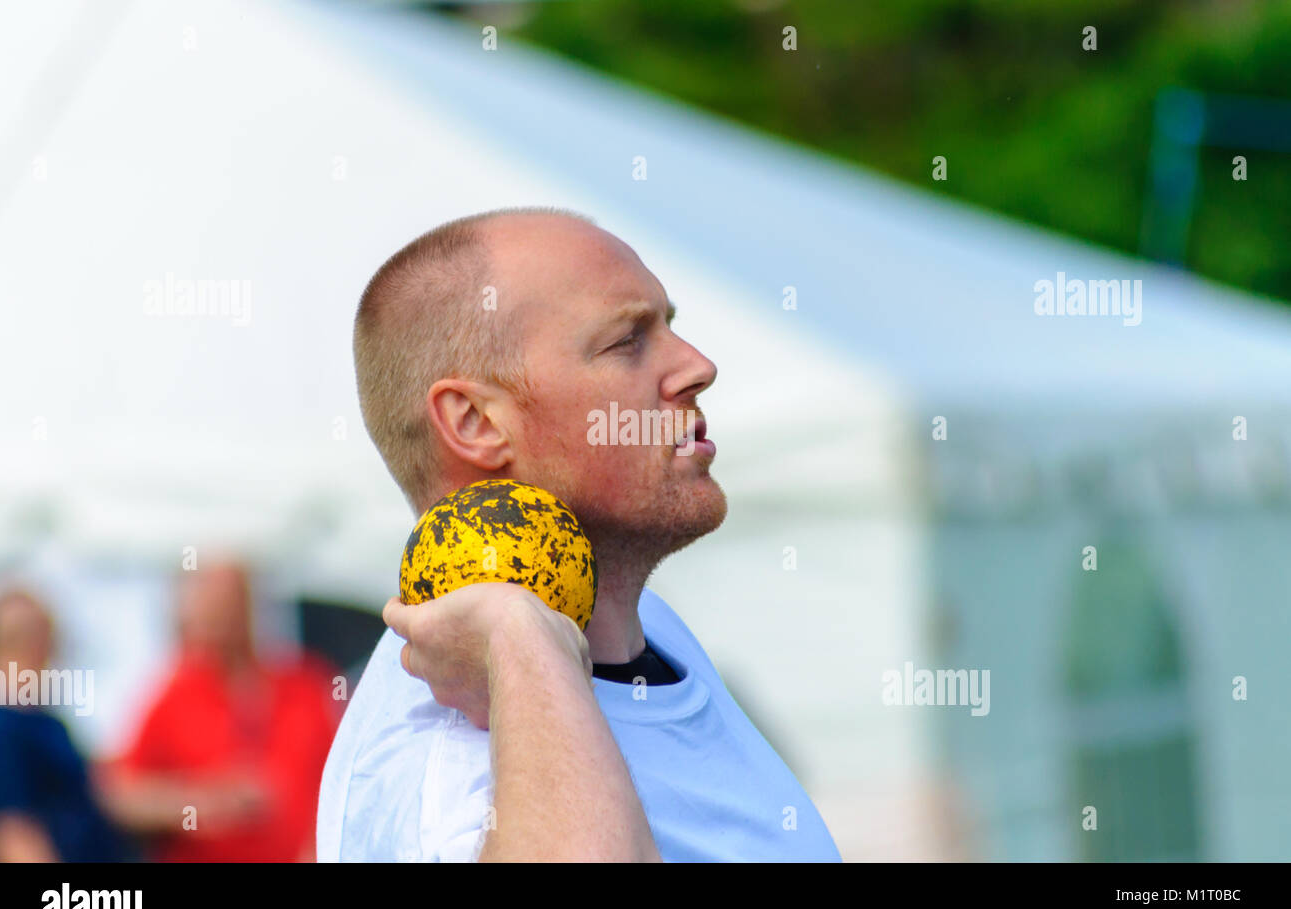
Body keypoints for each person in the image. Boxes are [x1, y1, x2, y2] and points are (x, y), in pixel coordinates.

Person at [318, 207, 841, 862]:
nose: (699, 366)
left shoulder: (643, 627)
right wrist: (515, 636)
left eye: (670, 325)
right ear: (476, 421)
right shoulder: (458, 770)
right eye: (626, 341)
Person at [107, 563, 340, 862]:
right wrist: (197, 802)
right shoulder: (171, 694)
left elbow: (347, 779)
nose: (222, 617)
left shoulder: (307, 684)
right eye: (211, 605)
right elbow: (121, 796)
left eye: (231, 601)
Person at [0, 587, 134, 862]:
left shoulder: (50, 725)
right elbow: (12, 833)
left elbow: (102, 795)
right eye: (21, 640)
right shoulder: (0, 729)